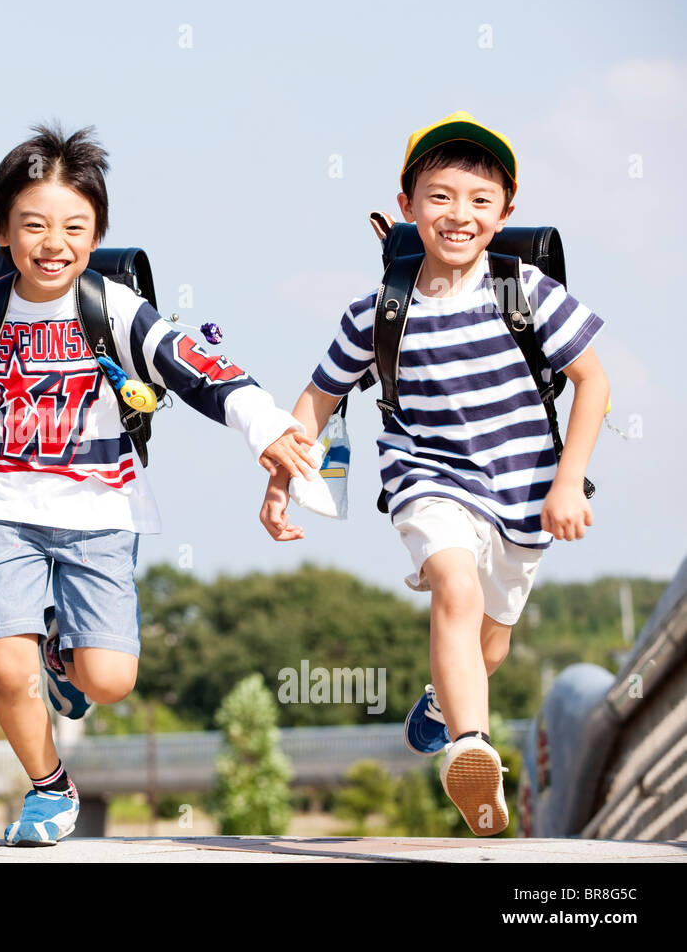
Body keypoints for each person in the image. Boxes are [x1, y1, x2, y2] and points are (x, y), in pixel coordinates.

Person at [0, 124, 315, 845]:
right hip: (1, 502)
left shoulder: (113, 310)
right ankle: (49, 788)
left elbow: (198, 370)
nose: (53, 241)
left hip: (102, 508)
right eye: (33, 224)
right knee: (6, 668)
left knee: (111, 680)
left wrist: (264, 424)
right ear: (1, 229)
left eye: (74, 226)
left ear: (96, 237)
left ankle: (64, 655)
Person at [260, 112, 609, 836]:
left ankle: (441, 701)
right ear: (408, 205)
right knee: (453, 583)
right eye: (442, 196)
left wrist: (568, 480)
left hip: (524, 489)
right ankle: (470, 748)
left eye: (481, 201)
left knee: (493, 642)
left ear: (507, 212)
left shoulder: (523, 290)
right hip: (429, 476)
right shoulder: (380, 310)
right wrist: (283, 476)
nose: (460, 215)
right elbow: (317, 398)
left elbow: (593, 382)